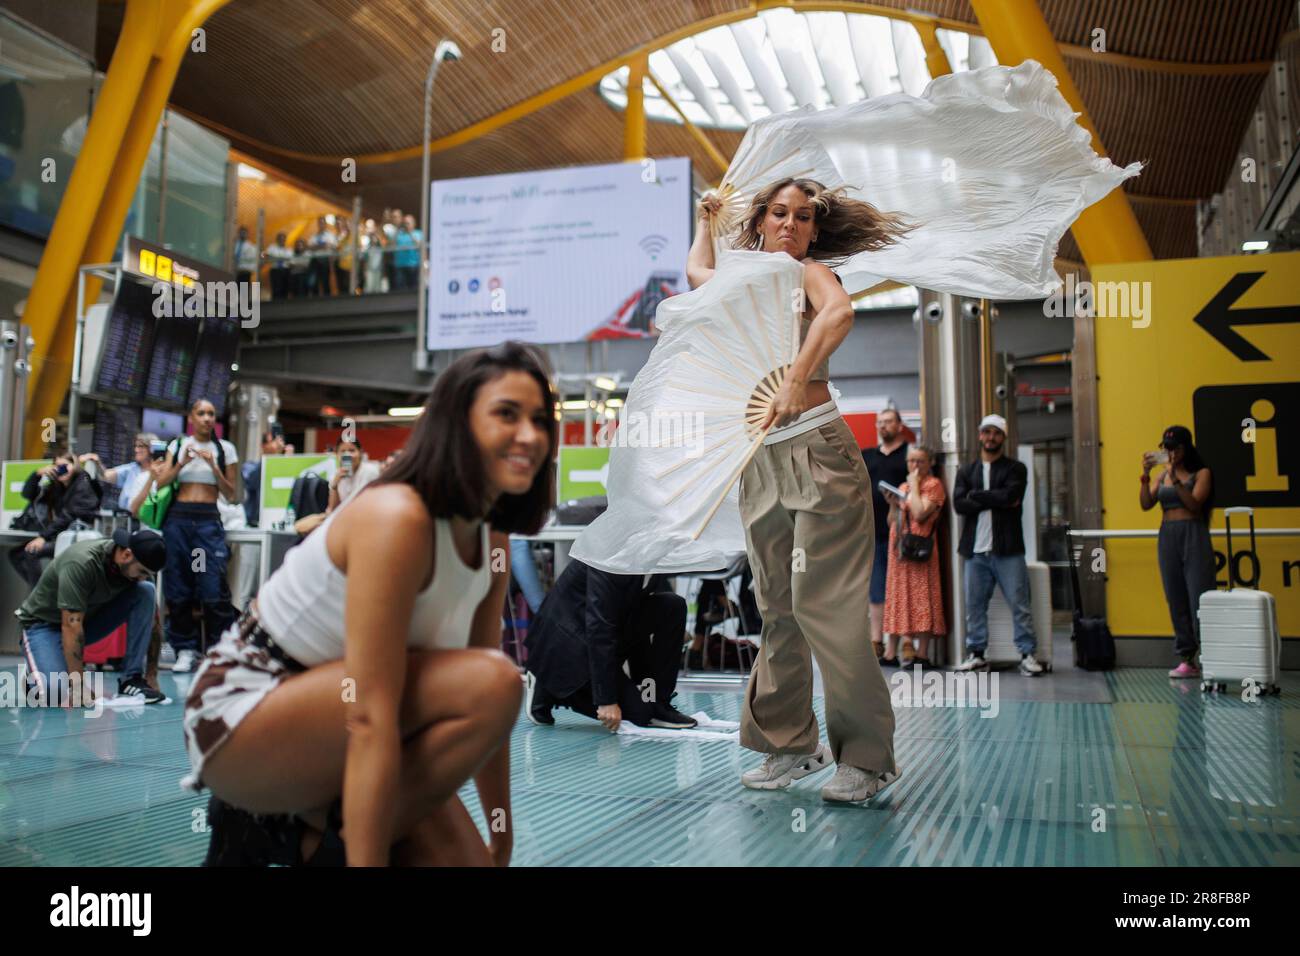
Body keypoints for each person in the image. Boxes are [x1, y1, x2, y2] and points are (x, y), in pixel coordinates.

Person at [181, 342, 556, 867]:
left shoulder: (493, 538)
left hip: (342, 719)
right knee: (494, 683)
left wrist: (502, 835)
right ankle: (283, 833)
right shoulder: (398, 516)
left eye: (540, 419)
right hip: (245, 712)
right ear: (457, 423)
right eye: (506, 415)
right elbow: (371, 716)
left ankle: (309, 833)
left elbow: (484, 723)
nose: (529, 435)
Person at [692, 178, 908, 802]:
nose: (791, 224)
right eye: (779, 213)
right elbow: (697, 272)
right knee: (777, 605)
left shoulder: (812, 274)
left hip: (820, 450)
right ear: (759, 220)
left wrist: (798, 378)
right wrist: (707, 218)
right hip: (759, 458)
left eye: (804, 216)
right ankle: (788, 745)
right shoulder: (743, 278)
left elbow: (840, 313)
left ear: (815, 229)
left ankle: (866, 760)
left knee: (826, 606)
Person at [523, 558, 696, 730]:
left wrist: (649, 696)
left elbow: (636, 625)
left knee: (672, 605)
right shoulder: (609, 558)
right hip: (567, 648)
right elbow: (599, 629)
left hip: (602, 633)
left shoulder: (650, 554)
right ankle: (547, 685)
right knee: (642, 713)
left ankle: (658, 703)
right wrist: (606, 700)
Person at [17, 529, 168, 705]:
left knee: (146, 591)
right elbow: (71, 626)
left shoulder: (136, 571)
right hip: (43, 625)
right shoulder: (82, 562)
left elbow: (154, 624)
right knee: (56, 692)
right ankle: (36, 670)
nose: (143, 577)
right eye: (141, 571)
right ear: (126, 555)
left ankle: (131, 679)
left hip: (86, 622)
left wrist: (151, 674)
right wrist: (78, 686)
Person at [152, 399, 241, 673]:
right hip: (179, 521)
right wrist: (181, 463)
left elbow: (232, 494)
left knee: (210, 584)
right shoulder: (178, 445)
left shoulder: (224, 449)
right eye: (201, 413)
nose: (206, 418)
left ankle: (217, 649)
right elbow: (161, 482)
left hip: (206, 524)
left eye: (211, 414)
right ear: (192, 417)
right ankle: (185, 649)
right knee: (179, 585)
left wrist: (214, 467)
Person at [953, 414, 1045, 675]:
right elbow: (959, 505)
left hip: (1008, 550)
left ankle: (1028, 654)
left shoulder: (1016, 469)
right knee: (974, 606)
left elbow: (1012, 496)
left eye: (996, 433)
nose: (990, 437)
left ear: (1003, 437)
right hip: (975, 551)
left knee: (1020, 603)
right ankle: (977, 654)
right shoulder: (966, 471)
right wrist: (997, 498)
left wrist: (978, 496)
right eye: (986, 432)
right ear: (980, 435)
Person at [1140, 425, 1215, 678]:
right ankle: (1186, 657)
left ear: (1185, 448)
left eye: (1173, 447)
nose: (1169, 452)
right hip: (1168, 534)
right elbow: (1146, 504)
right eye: (1165, 447)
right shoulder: (1162, 475)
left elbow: (1194, 504)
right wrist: (1147, 476)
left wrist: (1175, 476)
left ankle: (1211, 654)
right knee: (1176, 597)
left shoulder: (1201, 473)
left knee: (1199, 595)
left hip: (1193, 533)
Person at [882, 445, 946, 666]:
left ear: (930, 463)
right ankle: (891, 652)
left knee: (922, 598)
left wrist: (915, 485)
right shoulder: (903, 486)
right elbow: (892, 521)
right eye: (911, 461)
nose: (915, 466)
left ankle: (922, 653)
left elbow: (919, 513)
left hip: (920, 550)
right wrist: (892, 504)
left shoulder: (933, 485)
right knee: (898, 598)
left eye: (920, 461)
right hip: (900, 549)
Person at [7, 452, 102, 588]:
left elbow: (68, 516)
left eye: (65, 466)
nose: (61, 469)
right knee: (15, 555)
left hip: (76, 538)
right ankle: (40, 594)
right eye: (58, 466)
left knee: (31, 552)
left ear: (74, 466)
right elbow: (27, 494)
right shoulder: (57, 485)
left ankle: (39, 597)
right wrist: (37, 474)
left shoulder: (83, 482)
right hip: (60, 536)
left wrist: (43, 537)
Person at [862, 407, 909, 664]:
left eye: (889, 421)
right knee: (876, 591)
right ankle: (876, 643)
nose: (883, 426)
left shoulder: (909, 455)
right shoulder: (867, 456)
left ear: (899, 425)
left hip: (904, 535)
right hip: (874, 533)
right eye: (880, 422)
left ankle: (903, 645)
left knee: (903, 590)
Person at [79, 432, 159, 514]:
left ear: (152, 448)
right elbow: (105, 476)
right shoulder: (132, 469)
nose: (136, 450)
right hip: (129, 518)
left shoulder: (160, 470)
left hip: (150, 518)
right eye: (135, 446)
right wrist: (96, 462)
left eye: (141, 446)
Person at [326, 438, 382, 514]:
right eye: (343, 451)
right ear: (336, 455)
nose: (347, 455)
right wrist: (335, 485)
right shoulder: (336, 475)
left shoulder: (370, 471)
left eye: (352, 450)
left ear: (360, 453)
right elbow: (332, 509)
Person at [309, 216, 337, 296]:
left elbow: (332, 246)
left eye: (323, 223)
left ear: (325, 224)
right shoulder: (314, 236)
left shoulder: (331, 235)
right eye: (320, 223)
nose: (321, 224)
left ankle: (326, 298)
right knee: (314, 281)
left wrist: (317, 246)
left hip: (325, 260)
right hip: (315, 260)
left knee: (325, 281)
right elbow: (310, 247)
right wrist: (323, 246)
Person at [265, 231, 293, 300]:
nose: (282, 240)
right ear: (277, 240)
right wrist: (275, 258)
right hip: (275, 270)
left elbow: (291, 261)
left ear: (285, 240)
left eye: (283, 239)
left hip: (286, 271)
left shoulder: (289, 250)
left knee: (285, 289)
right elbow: (265, 255)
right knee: (276, 289)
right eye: (280, 239)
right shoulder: (271, 248)